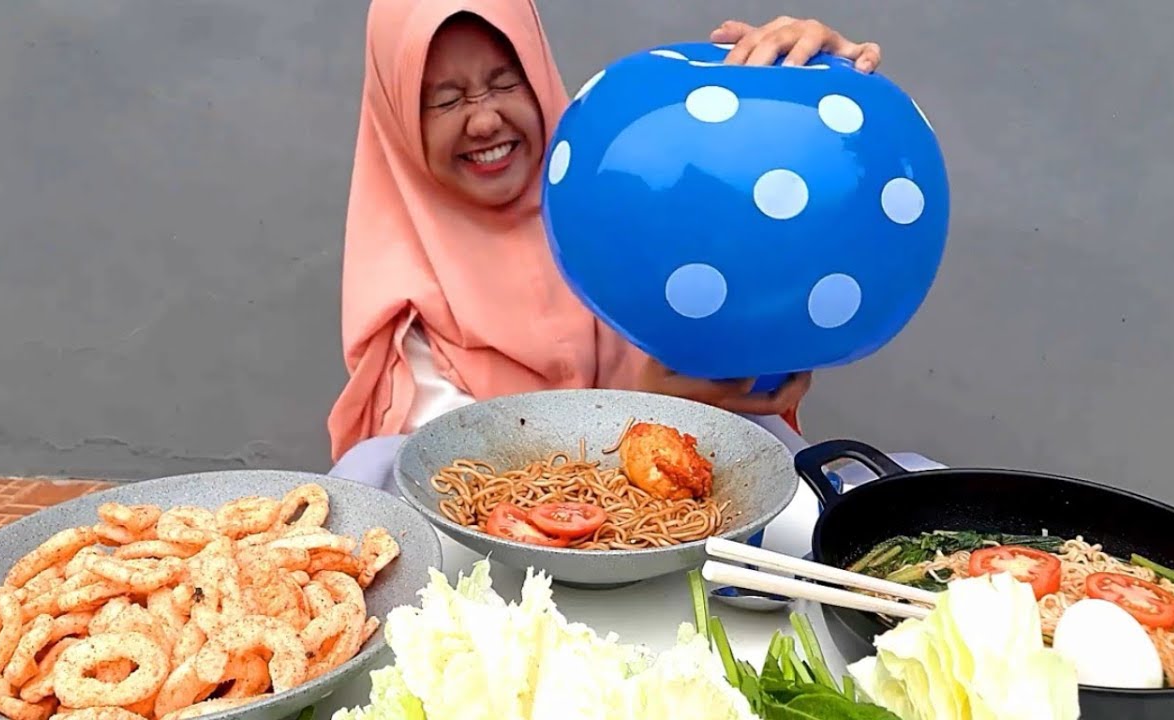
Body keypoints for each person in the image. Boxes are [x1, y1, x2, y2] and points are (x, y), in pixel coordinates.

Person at [328, 0, 883, 487]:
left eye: (504, 81)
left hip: (708, 536)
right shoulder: (403, 307)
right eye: (445, 100)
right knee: (374, 465)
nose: (484, 120)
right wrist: (639, 414)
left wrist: (816, 86)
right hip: (510, 589)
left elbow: (772, 265)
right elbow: (456, 482)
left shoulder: (639, 205)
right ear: (399, 118)